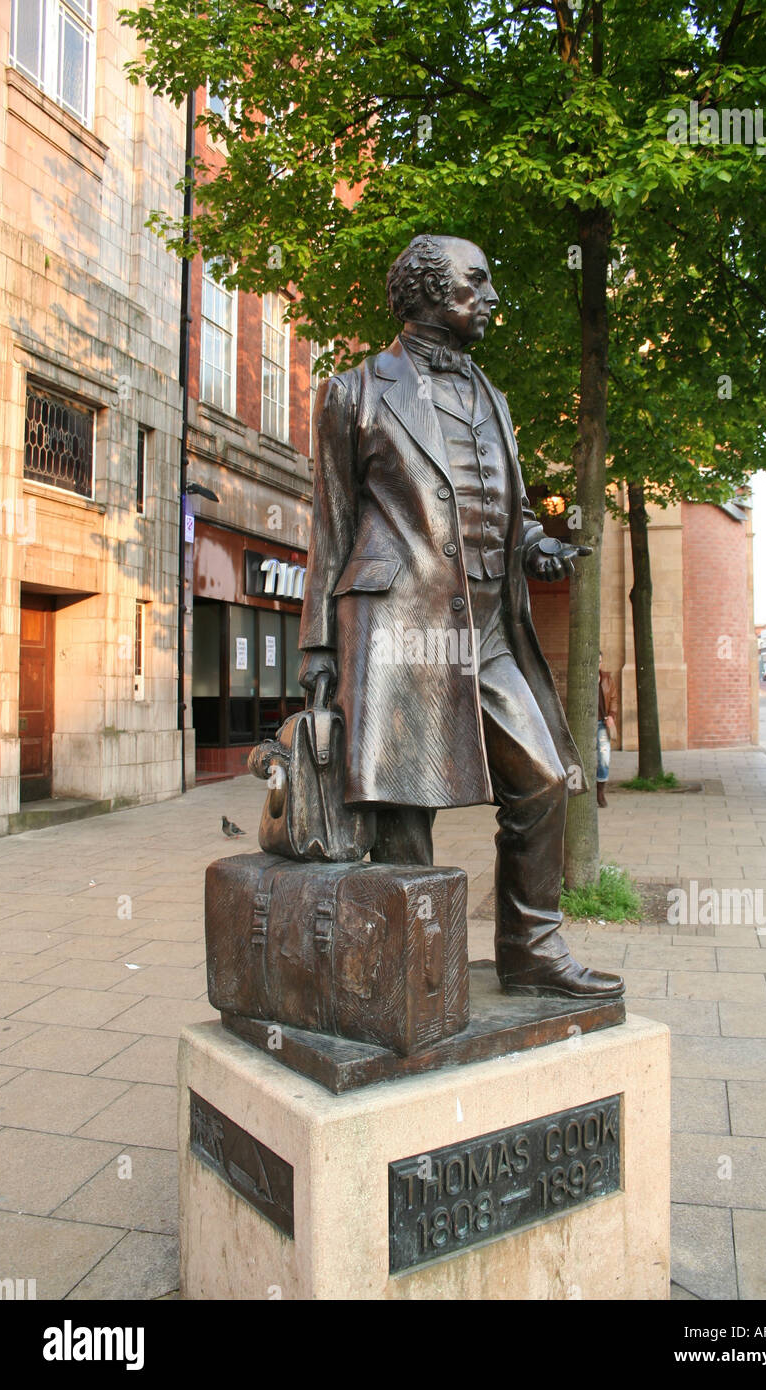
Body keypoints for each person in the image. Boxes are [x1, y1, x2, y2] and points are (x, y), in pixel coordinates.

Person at [298, 234, 623, 1001]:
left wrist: (537, 544)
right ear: (428, 292)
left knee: (543, 778)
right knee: (406, 808)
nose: (493, 296)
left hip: (488, 626)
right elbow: (330, 524)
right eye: (478, 282)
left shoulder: (494, 398)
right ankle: (414, 976)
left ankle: (531, 949)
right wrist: (317, 645)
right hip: (397, 624)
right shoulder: (355, 391)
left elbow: (498, 507)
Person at [596, 652, 618, 808]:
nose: (598, 664)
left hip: (602, 725)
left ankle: (600, 792)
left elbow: (614, 699)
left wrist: (612, 715)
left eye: (600, 661)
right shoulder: (583, 679)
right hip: (586, 725)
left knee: (604, 759)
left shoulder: (607, 679)